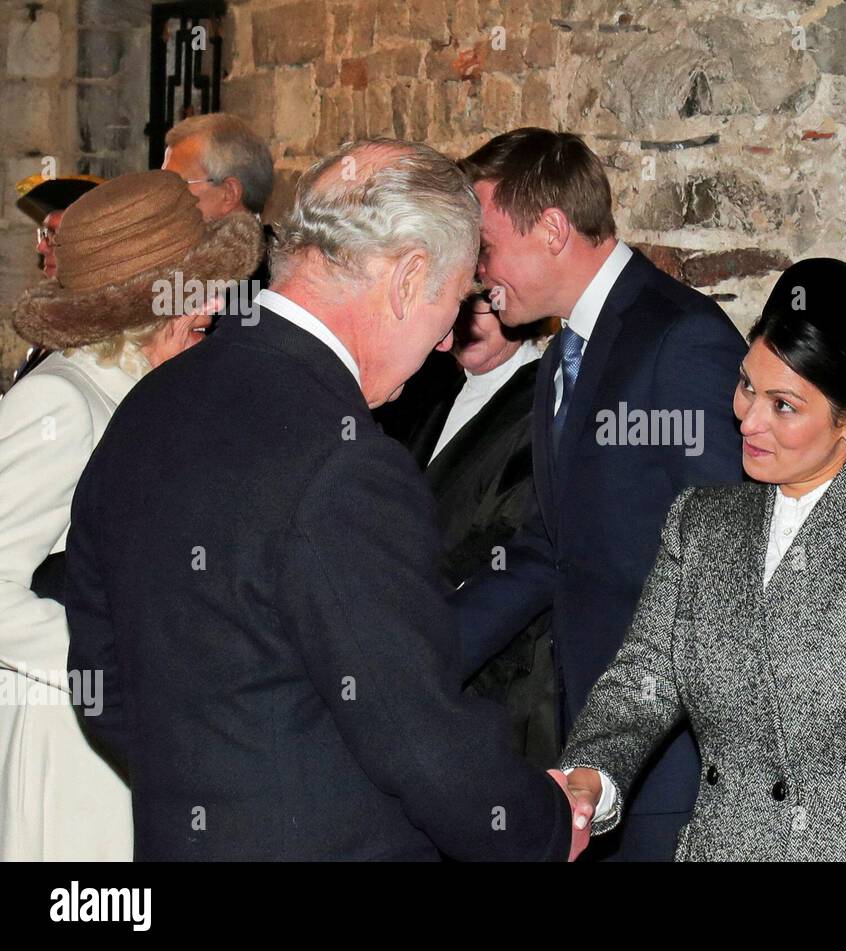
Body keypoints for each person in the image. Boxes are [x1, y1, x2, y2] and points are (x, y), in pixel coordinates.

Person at [63, 139, 586, 861]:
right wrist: (547, 824)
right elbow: (419, 740)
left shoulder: (151, 403)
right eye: (456, 296)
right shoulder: (344, 465)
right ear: (407, 278)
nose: (446, 340)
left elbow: (99, 681)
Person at [559, 260, 846, 861]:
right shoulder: (703, 520)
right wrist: (593, 774)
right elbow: (645, 678)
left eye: (783, 405)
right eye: (747, 385)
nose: (747, 419)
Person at [450, 128, 747, 860]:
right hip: (593, 752)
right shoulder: (561, 358)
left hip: (673, 767)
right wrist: (416, 651)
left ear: (551, 229)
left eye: (484, 249)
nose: (475, 275)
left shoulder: (681, 339)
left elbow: (726, 563)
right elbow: (549, 551)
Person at [0, 169, 263, 860]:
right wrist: (114, 664)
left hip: (126, 739)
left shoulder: (140, 393)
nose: (210, 313)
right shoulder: (62, 403)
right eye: (198, 306)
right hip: (75, 747)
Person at [400, 294, 559, 768]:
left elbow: (510, 546)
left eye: (485, 302)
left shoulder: (542, 400)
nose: (470, 319)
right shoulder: (432, 386)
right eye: (458, 300)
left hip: (486, 670)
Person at [161, 112, 276, 324]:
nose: (164, 196)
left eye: (176, 183)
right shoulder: (171, 256)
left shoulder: (269, 285)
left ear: (228, 193)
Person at [10, 172, 104, 383]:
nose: (41, 246)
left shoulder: (106, 325)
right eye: (43, 233)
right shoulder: (62, 316)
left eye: (52, 234)